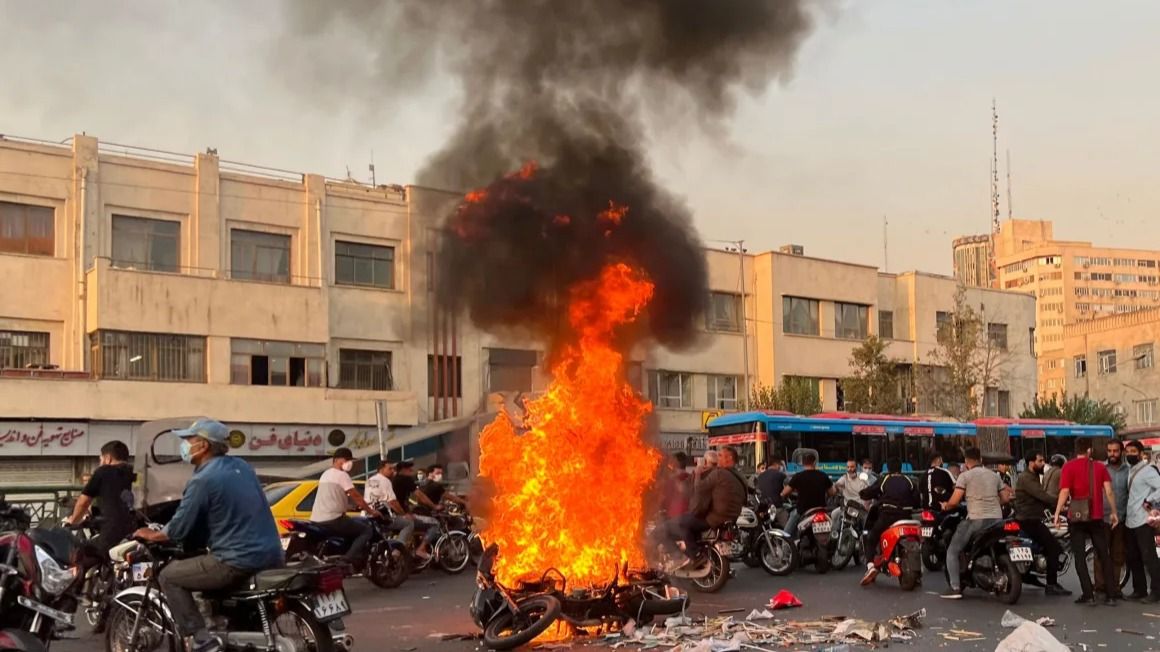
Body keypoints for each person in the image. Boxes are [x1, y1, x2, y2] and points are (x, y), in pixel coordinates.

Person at [132, 419, 283, 652]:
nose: (184, 446)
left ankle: (202, 640)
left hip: (237, 559)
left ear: (203, 446)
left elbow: (178, 529)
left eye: (188, 440)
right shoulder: (242, 467)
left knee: (169, 576)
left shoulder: (203, 479)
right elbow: (225, 512)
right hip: (272, 554)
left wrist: (153, 535)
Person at [1054, 437, 1120, 605]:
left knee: (1080, 557)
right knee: (1103, 555)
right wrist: (1113, 512)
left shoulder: (1068, 467)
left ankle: (1088, 595)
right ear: (1089, 450)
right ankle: (1111, 595)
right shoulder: (1099, 467)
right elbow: (1109, 491)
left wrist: (1056, 513)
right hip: (1096, 517)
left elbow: (1064, 491)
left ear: (1076, 450)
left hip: (1076, 518)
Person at [939, 447, 1011, 599]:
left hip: (977, 520)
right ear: (981, 460)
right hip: (997, 519)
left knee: (952, 550)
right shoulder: (994, 475)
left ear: (966, 462)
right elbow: (1005, 499)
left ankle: (955, 587)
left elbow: (955, 500)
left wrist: (946, 505)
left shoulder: (965, 476)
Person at [670, 446, 747, 569]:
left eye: (720, 455)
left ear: (729, 458)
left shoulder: (720, 473)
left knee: (681, 523)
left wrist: (699, 473)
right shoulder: (739, 475)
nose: (718, 458)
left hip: (715, 518)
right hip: (730, 517)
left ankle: (695, 556)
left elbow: (699, 488)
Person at [309, 448, 382, 569]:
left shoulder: (325, 474)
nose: (350, 463)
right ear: (337, 460)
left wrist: (349, 506)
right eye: (347, 460)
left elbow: (332, 497)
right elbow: (356, 495)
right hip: (333, 519)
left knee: (352, 524)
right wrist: (371, 511)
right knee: (366, 530)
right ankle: (347, 559)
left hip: (316, 519)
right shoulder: (342, 475)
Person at [64, 440, 136, 555]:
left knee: (80, 554)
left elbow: (83, 502)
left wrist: (73, 521)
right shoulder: (135, 473)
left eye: (100, 459)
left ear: (108, 458)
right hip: (136, 530)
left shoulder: (103, 472)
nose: (100, 462)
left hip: (111, 533)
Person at [1014, 452, 1070, 596]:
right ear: (1031, 462)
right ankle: (1051, 585)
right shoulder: (1027, 478)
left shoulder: (1034, 476)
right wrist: (1061, 502)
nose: (1043, 463)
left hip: (1033, 517)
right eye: (1040, 461)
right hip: (1028, 520)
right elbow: (1042, 496)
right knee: (1054, 548)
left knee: (1049, 545)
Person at [859, 458, 919, 585]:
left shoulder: (884, 479)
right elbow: (917, 499)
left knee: (871, 537)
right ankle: (917, 575)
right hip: (907, 516)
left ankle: (870, 567)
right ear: (901, 468)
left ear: (888, 469)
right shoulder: (909, 480)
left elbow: (869, 492)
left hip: (888, 516)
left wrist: (863, 493)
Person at [1095, 440, 1137, 599]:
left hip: (1122, 518)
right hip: (1103, 518)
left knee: (1118, 555)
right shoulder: (1100, 469)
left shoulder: (1129, 471)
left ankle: (1115, 588)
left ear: (1122, 452)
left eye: (1116, 451)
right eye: (1110, 451)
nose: (1112, 454)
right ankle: (1099, 588)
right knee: (1100, 553)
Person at [1125, 439, 1160, 602]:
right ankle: (1139, 590)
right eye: (1128, 452)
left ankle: (1156, 591)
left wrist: (1149, 500)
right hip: (1130, 520)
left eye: (1133, 452)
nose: (1130, 455)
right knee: (1133, 557)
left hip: (1143, 521)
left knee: (1149, 557)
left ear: (1141, 454)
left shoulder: (1148, 471)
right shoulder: (1130, 470)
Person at [393, 462, 443, 560]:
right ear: (403, 470)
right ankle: (421, 549)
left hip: (393, 514)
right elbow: (420, 495)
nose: (412, 472)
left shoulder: (393, 480)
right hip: (402, 515)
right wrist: (434, 506)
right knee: (435, 524)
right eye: (410, 470)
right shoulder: (406, 479)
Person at [782, 452, 836, 536]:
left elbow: (784, 493)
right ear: (815, 463)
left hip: (802, 511)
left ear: (803, 464)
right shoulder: (823, 476)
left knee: (786, 533)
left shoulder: (798, 476)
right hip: (820, 510)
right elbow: (832, 492)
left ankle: (784, 546)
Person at [364, 460, 415, 543]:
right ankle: (398, 550)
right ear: (381, 469)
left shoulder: (369, 480)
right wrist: (404, 514)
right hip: (383, 516)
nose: (392, 471)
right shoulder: (385, 481)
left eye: (393, 469)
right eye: (389, 469)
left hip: (369, 515)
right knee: (408, 524)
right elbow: (392, 502)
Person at [662, 453, 694, 519]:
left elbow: (664, 500)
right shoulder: (692, 478)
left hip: (673, 517)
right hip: (689, 516)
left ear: (674, 464)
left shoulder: (670, 481)